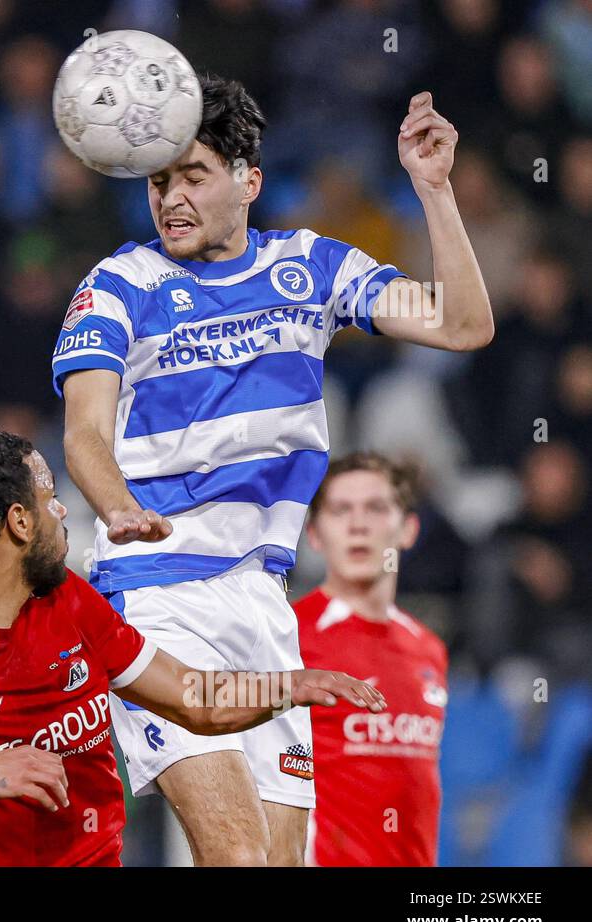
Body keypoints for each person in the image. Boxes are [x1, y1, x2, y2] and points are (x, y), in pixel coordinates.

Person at [55, 75, 490, 865]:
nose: (171, 199)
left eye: (193, 176)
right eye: (159, 182)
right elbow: (84, 432)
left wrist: (433, 192)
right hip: (157, 593)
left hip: (263, 602)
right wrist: (116, 505)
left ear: (250, 180)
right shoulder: (120, 285)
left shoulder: (310, 267)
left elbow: (462, 326)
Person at [0, 433, 383, 866]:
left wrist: (287, 687)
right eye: (50, 498)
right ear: (19, 522)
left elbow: (189, 698)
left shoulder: (66, 600)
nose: (63, 510)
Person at [294, 452, 447, 866]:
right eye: (341, 510)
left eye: (376, 508)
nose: (358, 524)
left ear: (409, 529)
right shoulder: (288, 636)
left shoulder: (429, 648)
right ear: (314, 534)